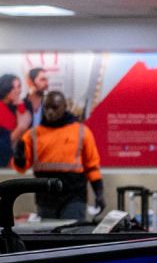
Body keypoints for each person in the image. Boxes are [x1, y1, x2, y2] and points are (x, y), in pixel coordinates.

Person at [9, 89, 101, 220]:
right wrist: (19, 158)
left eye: (55, 107)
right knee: (48, 237)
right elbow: (21, 167)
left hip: (74, 197)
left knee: (72, 236)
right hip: (46, 198)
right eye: (46, 107)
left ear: (64, 107)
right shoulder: (33, 135)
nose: (50, 112)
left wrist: (99, 193)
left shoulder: (81, 132)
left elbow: (92, 165)